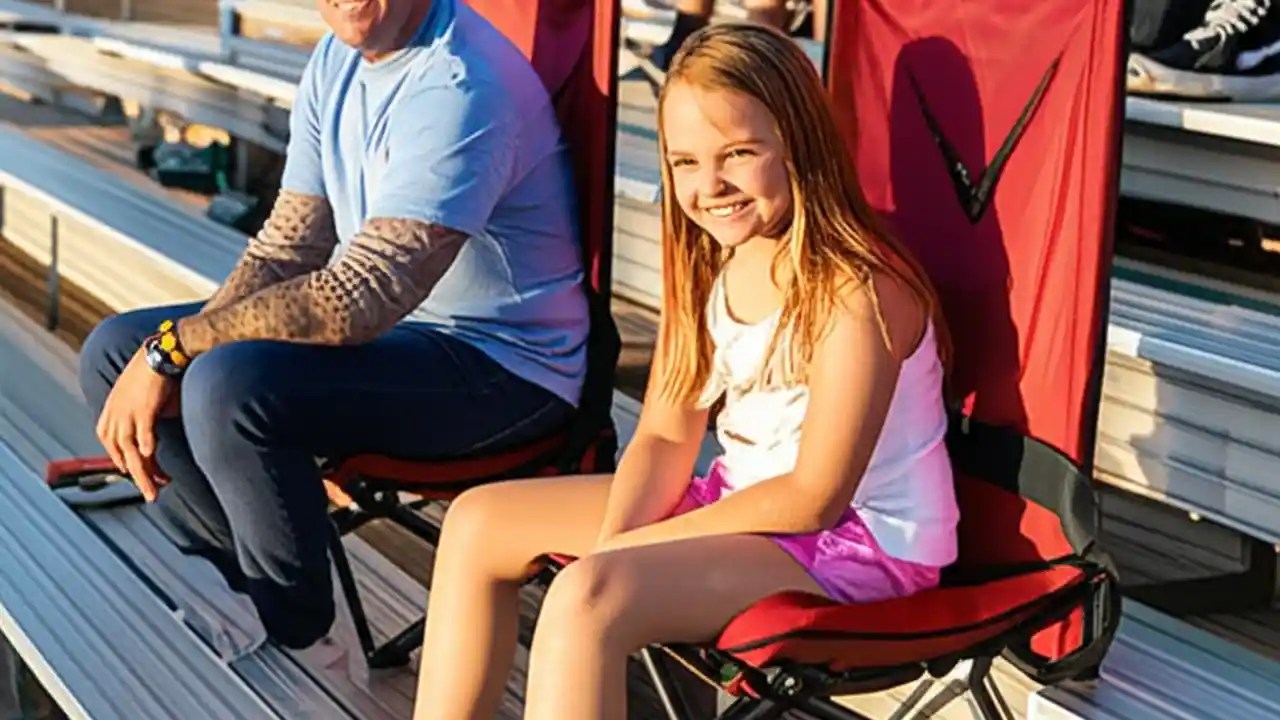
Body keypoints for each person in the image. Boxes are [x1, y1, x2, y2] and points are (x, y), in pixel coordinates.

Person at [412, 22, 960, 720]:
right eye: (685, 163)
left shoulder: (860, 292)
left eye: (739, 153)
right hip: (747, 502)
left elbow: (813, 498)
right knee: (477, 520)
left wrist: (626, 552)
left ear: (799, 144)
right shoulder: (711, 265)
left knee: (588, 599)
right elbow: (668, 434)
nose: (711, 186)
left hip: (859, 547)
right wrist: (622, 535)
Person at [78, 0, 588, 657]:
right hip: (407, 340)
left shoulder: (462, 81)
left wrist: (177, 348)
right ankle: (247, 585)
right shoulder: (338, 57)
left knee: (227, 381)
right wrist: (164, 353)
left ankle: (294, 633)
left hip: (505, 371)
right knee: (114, 351)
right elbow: (285, 250)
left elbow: (359, 298)